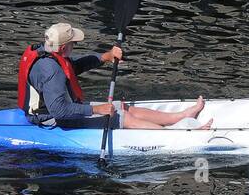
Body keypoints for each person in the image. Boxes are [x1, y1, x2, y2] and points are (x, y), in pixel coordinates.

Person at [19, 22, 209, 130]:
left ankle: (181, 116)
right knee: (122, 118)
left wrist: (105, 57)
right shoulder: (50, 70)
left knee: (122, 107)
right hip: (48, 118)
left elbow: (73, 67)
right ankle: (185, 135)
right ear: (62, 47)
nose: (75, 45)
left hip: (62, 107)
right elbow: (59, 110)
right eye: (73, 43)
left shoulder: (50, 53)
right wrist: (97, 110)